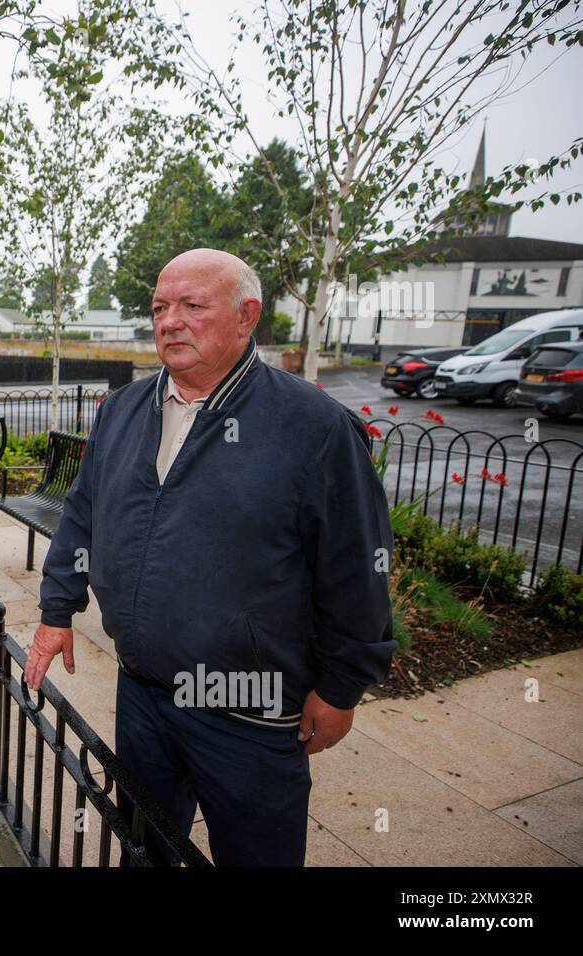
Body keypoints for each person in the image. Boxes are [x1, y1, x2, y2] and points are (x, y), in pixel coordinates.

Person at [25, 248, 395, 866]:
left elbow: (357, 568)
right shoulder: (123, 411)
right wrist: (57, 608)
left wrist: (341, 687)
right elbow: (84, 515)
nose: (170, 321)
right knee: (145, 846)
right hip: (143, 693)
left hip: (246, 713)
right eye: (160, 307)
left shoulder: (314, 429)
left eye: (192, 306)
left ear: (247, 315)